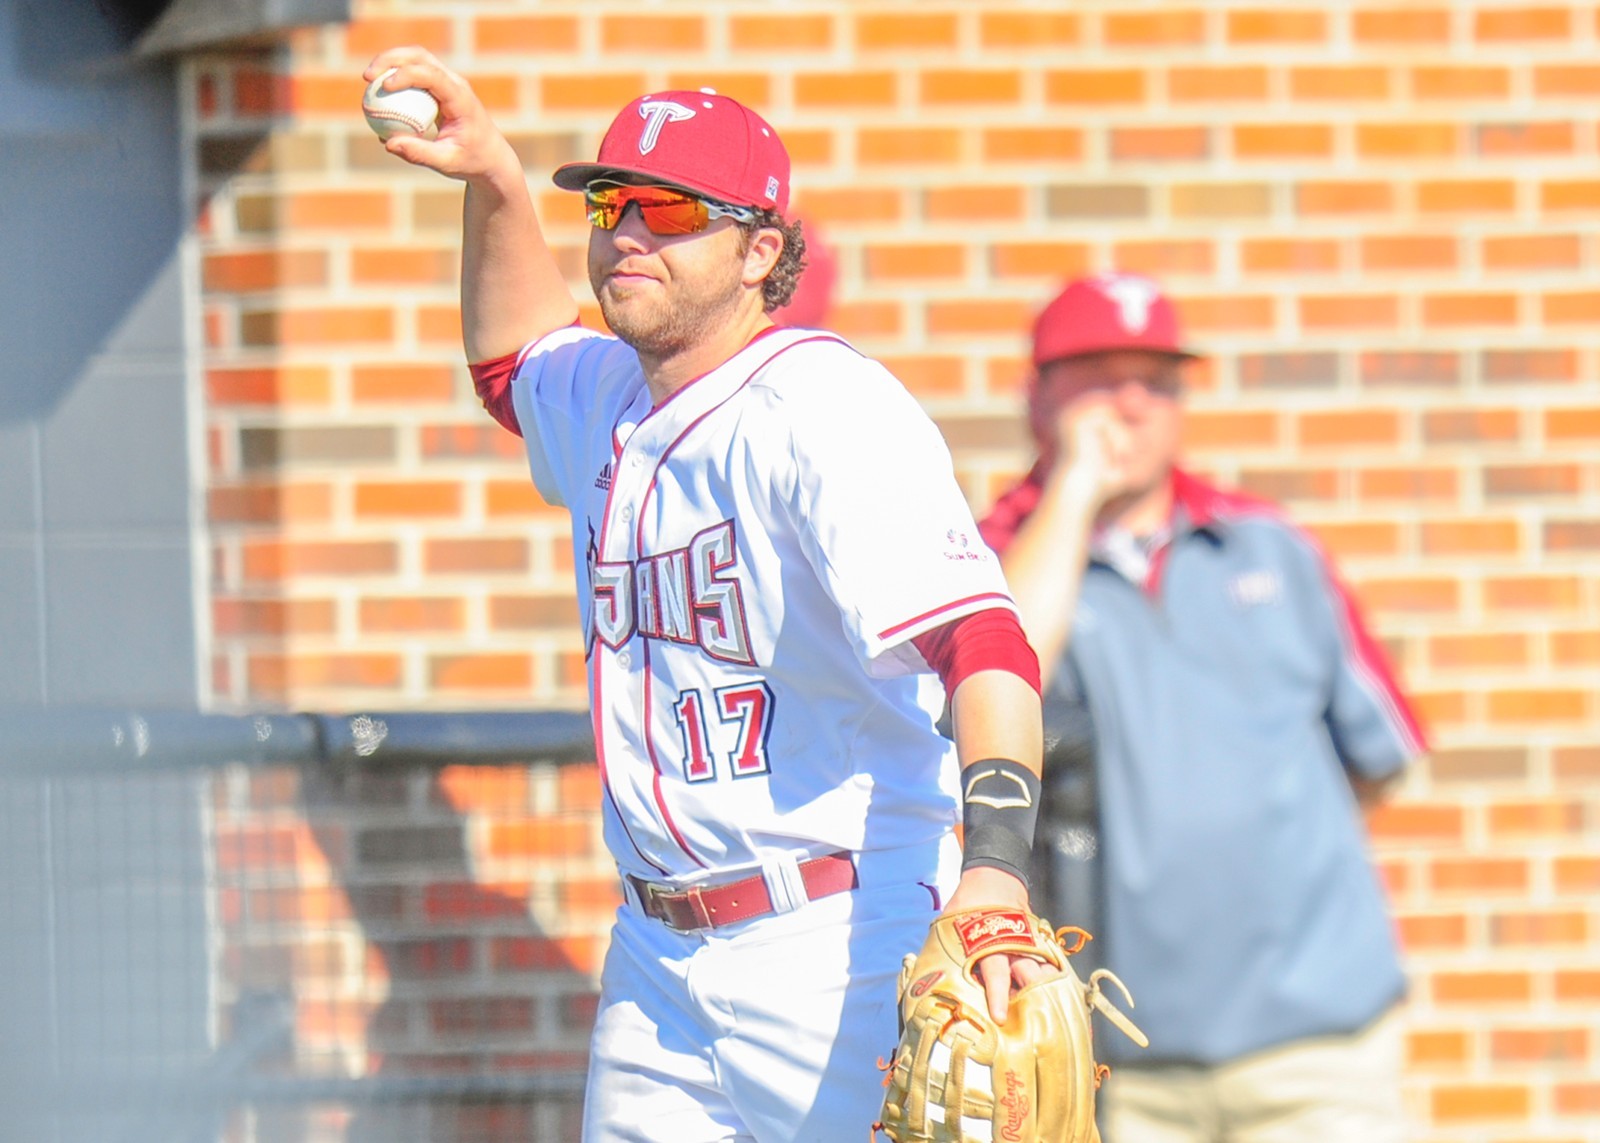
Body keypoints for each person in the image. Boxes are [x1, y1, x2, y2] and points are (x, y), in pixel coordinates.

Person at [364, 48, 1055, 1143]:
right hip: (656, 955)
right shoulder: (604, 392)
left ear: (760, 251)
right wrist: (493, 177)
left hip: (840, 934)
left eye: (670, 210)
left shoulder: (825, 412)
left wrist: (999, 874)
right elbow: (511, 366)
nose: (627, 233)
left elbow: (986, 648)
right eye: (608, 203)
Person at [980, 272, 1428, 1143]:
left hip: (1319, 1046)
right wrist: (1073, 488)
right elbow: (1006, 675)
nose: (1132, 404)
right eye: (1099, 375)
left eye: (1157, 379)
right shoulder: (996, 561)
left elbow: (1379, 760)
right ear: (1037, 396)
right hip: (1125, 1069)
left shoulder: (1269, 548)